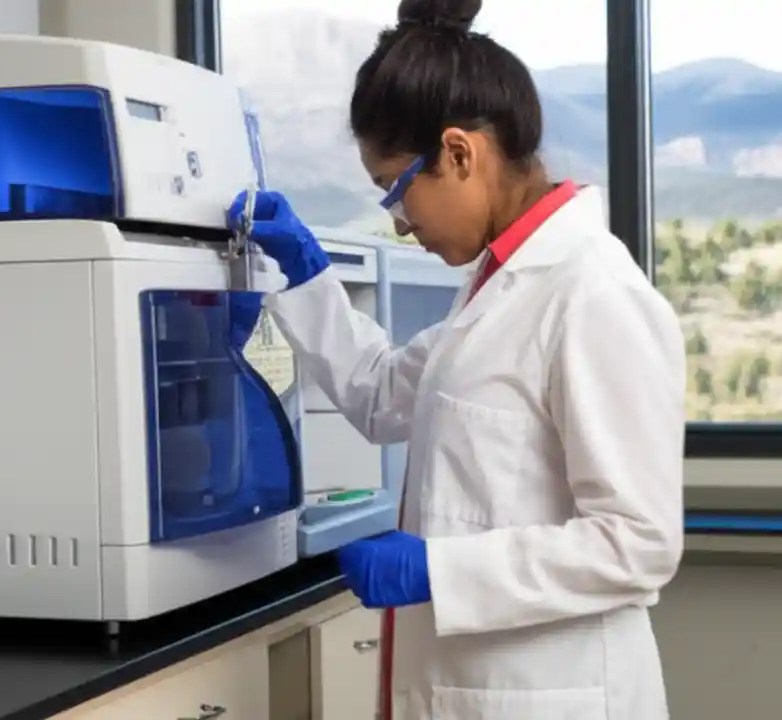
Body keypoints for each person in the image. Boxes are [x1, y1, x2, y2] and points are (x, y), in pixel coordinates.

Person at [227, 0, 686, 716]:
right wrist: (307, 276)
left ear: (460, 153)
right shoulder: (496, 286)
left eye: (396, 192)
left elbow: (639, 544)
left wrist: (440, 568)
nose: (401, 225)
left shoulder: (590, 292)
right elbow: (381, 396)